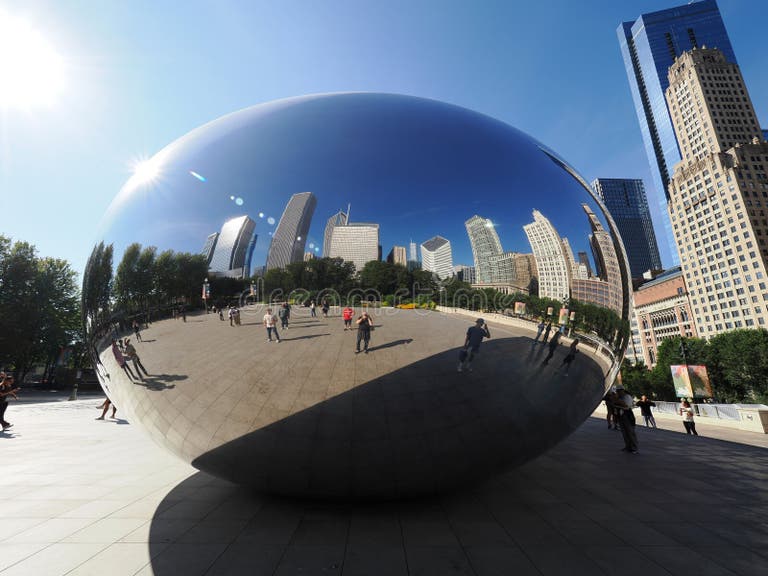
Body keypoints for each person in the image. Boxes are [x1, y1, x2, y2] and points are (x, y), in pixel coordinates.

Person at [613, 385, 638, 453]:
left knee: (630, 432)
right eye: (617, 391)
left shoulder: (627, 396)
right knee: (624, 432)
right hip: (621, 416)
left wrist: (617, 402)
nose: (617, 392)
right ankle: (628, 446)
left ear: (622, 390)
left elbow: (626, 406)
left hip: (627, 415)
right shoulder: (620, 397)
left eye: (618, 391)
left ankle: (634, 448)